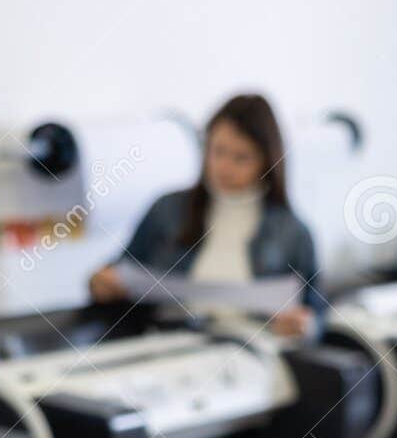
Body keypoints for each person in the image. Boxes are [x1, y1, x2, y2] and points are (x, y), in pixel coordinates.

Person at [89, 93, 323, 338]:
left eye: (241, 157)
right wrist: (102, 283)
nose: (225, 167)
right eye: (218, 151)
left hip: (252, 345)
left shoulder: (293, 233)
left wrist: (304, 326)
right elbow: (121, 270)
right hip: (168, 340)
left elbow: (315, 315)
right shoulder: (167, 209)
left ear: (267, 161)